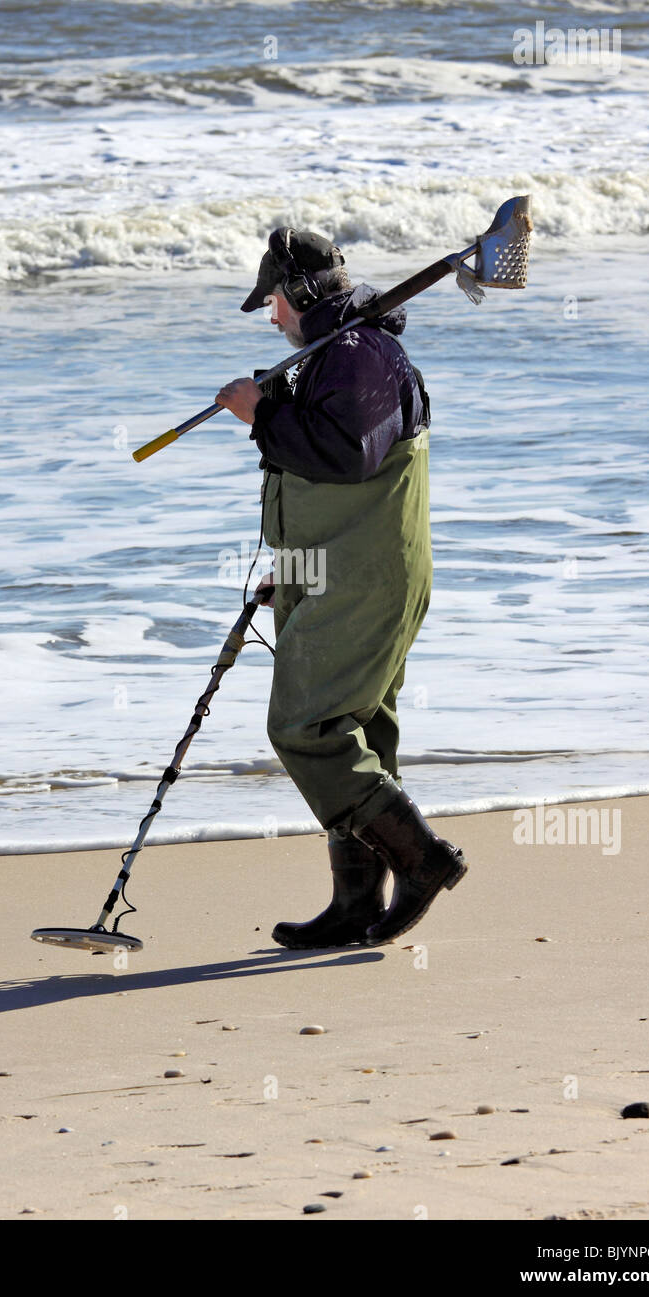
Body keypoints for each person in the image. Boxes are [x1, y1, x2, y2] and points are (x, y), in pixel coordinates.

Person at [215, 227, 467, 948]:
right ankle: (357, 903)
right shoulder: (336, 353)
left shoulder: (358, 355)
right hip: (336, 567)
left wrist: (258, 414)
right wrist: (290, 568)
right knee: (359, 733)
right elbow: (332, 485)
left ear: (298, 293)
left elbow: (346, 455)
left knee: (306, 728)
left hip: (365, 579)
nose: (270, 318)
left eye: (273, 302)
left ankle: (422, 860)